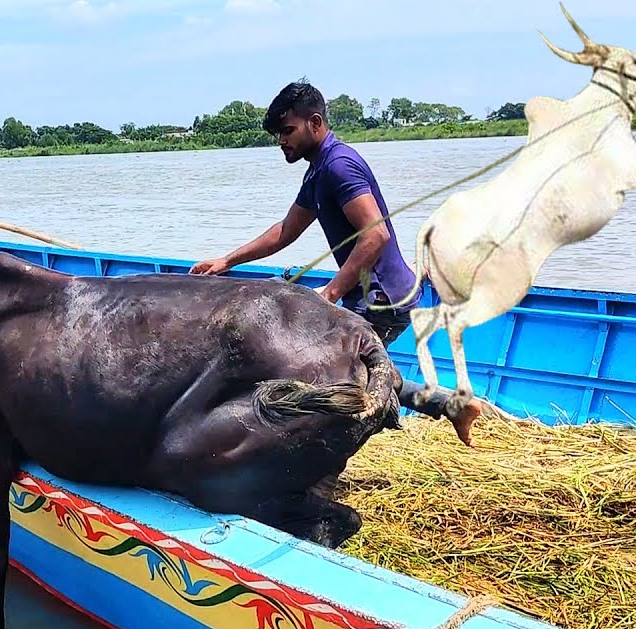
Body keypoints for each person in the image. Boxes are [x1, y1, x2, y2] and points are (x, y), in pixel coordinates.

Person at [190, 80, 486, 446]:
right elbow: (285, 231)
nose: (282, 141)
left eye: (287, 131)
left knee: (335, 379)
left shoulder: (339, 166)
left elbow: (375, 236)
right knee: (362, 374)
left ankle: (332, 461)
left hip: (383, 298)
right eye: (278, 134)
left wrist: (329, 292)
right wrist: (226, 261)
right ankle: (452, 407)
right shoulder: (318, 170)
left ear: (315, 123)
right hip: (374, 293)